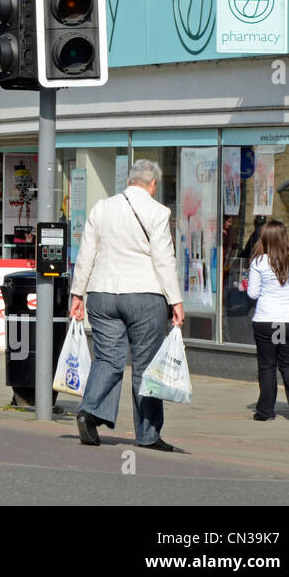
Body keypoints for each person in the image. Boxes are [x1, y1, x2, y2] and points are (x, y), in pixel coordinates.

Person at [70, 159, 185, 451]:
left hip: (102, 294)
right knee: (145, 365)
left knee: (108, 358)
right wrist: (176, 301)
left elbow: (87, 254)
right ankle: (148, 435)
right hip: (144, 296)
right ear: (153, 184)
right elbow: (163, 260)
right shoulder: (158, 212)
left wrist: (77, 294)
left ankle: (89, 411)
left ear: (129, 180)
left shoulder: (102, 208)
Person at [247, 220, 289, 420]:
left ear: (264, 238)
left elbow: (253, 293)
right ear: (284, 237)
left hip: (265, 320)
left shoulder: (258, 262)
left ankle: (266, 411)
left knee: (267, 366)